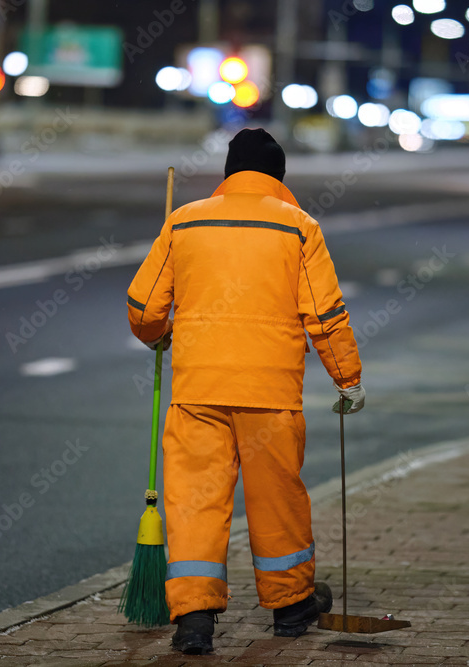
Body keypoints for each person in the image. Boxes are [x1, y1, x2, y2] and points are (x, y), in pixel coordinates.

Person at [127, 128, 365, 655]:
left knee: (194, 501)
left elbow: (144, 309)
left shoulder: (184, 219)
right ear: (278, 177)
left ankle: (193, 617)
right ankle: (290, 606)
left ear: (228, 174)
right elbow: (324, 315)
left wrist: (159, 334)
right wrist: (347, 377)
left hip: (197, 391)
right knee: (275, 497)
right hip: (270, 394)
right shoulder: (299, 228)